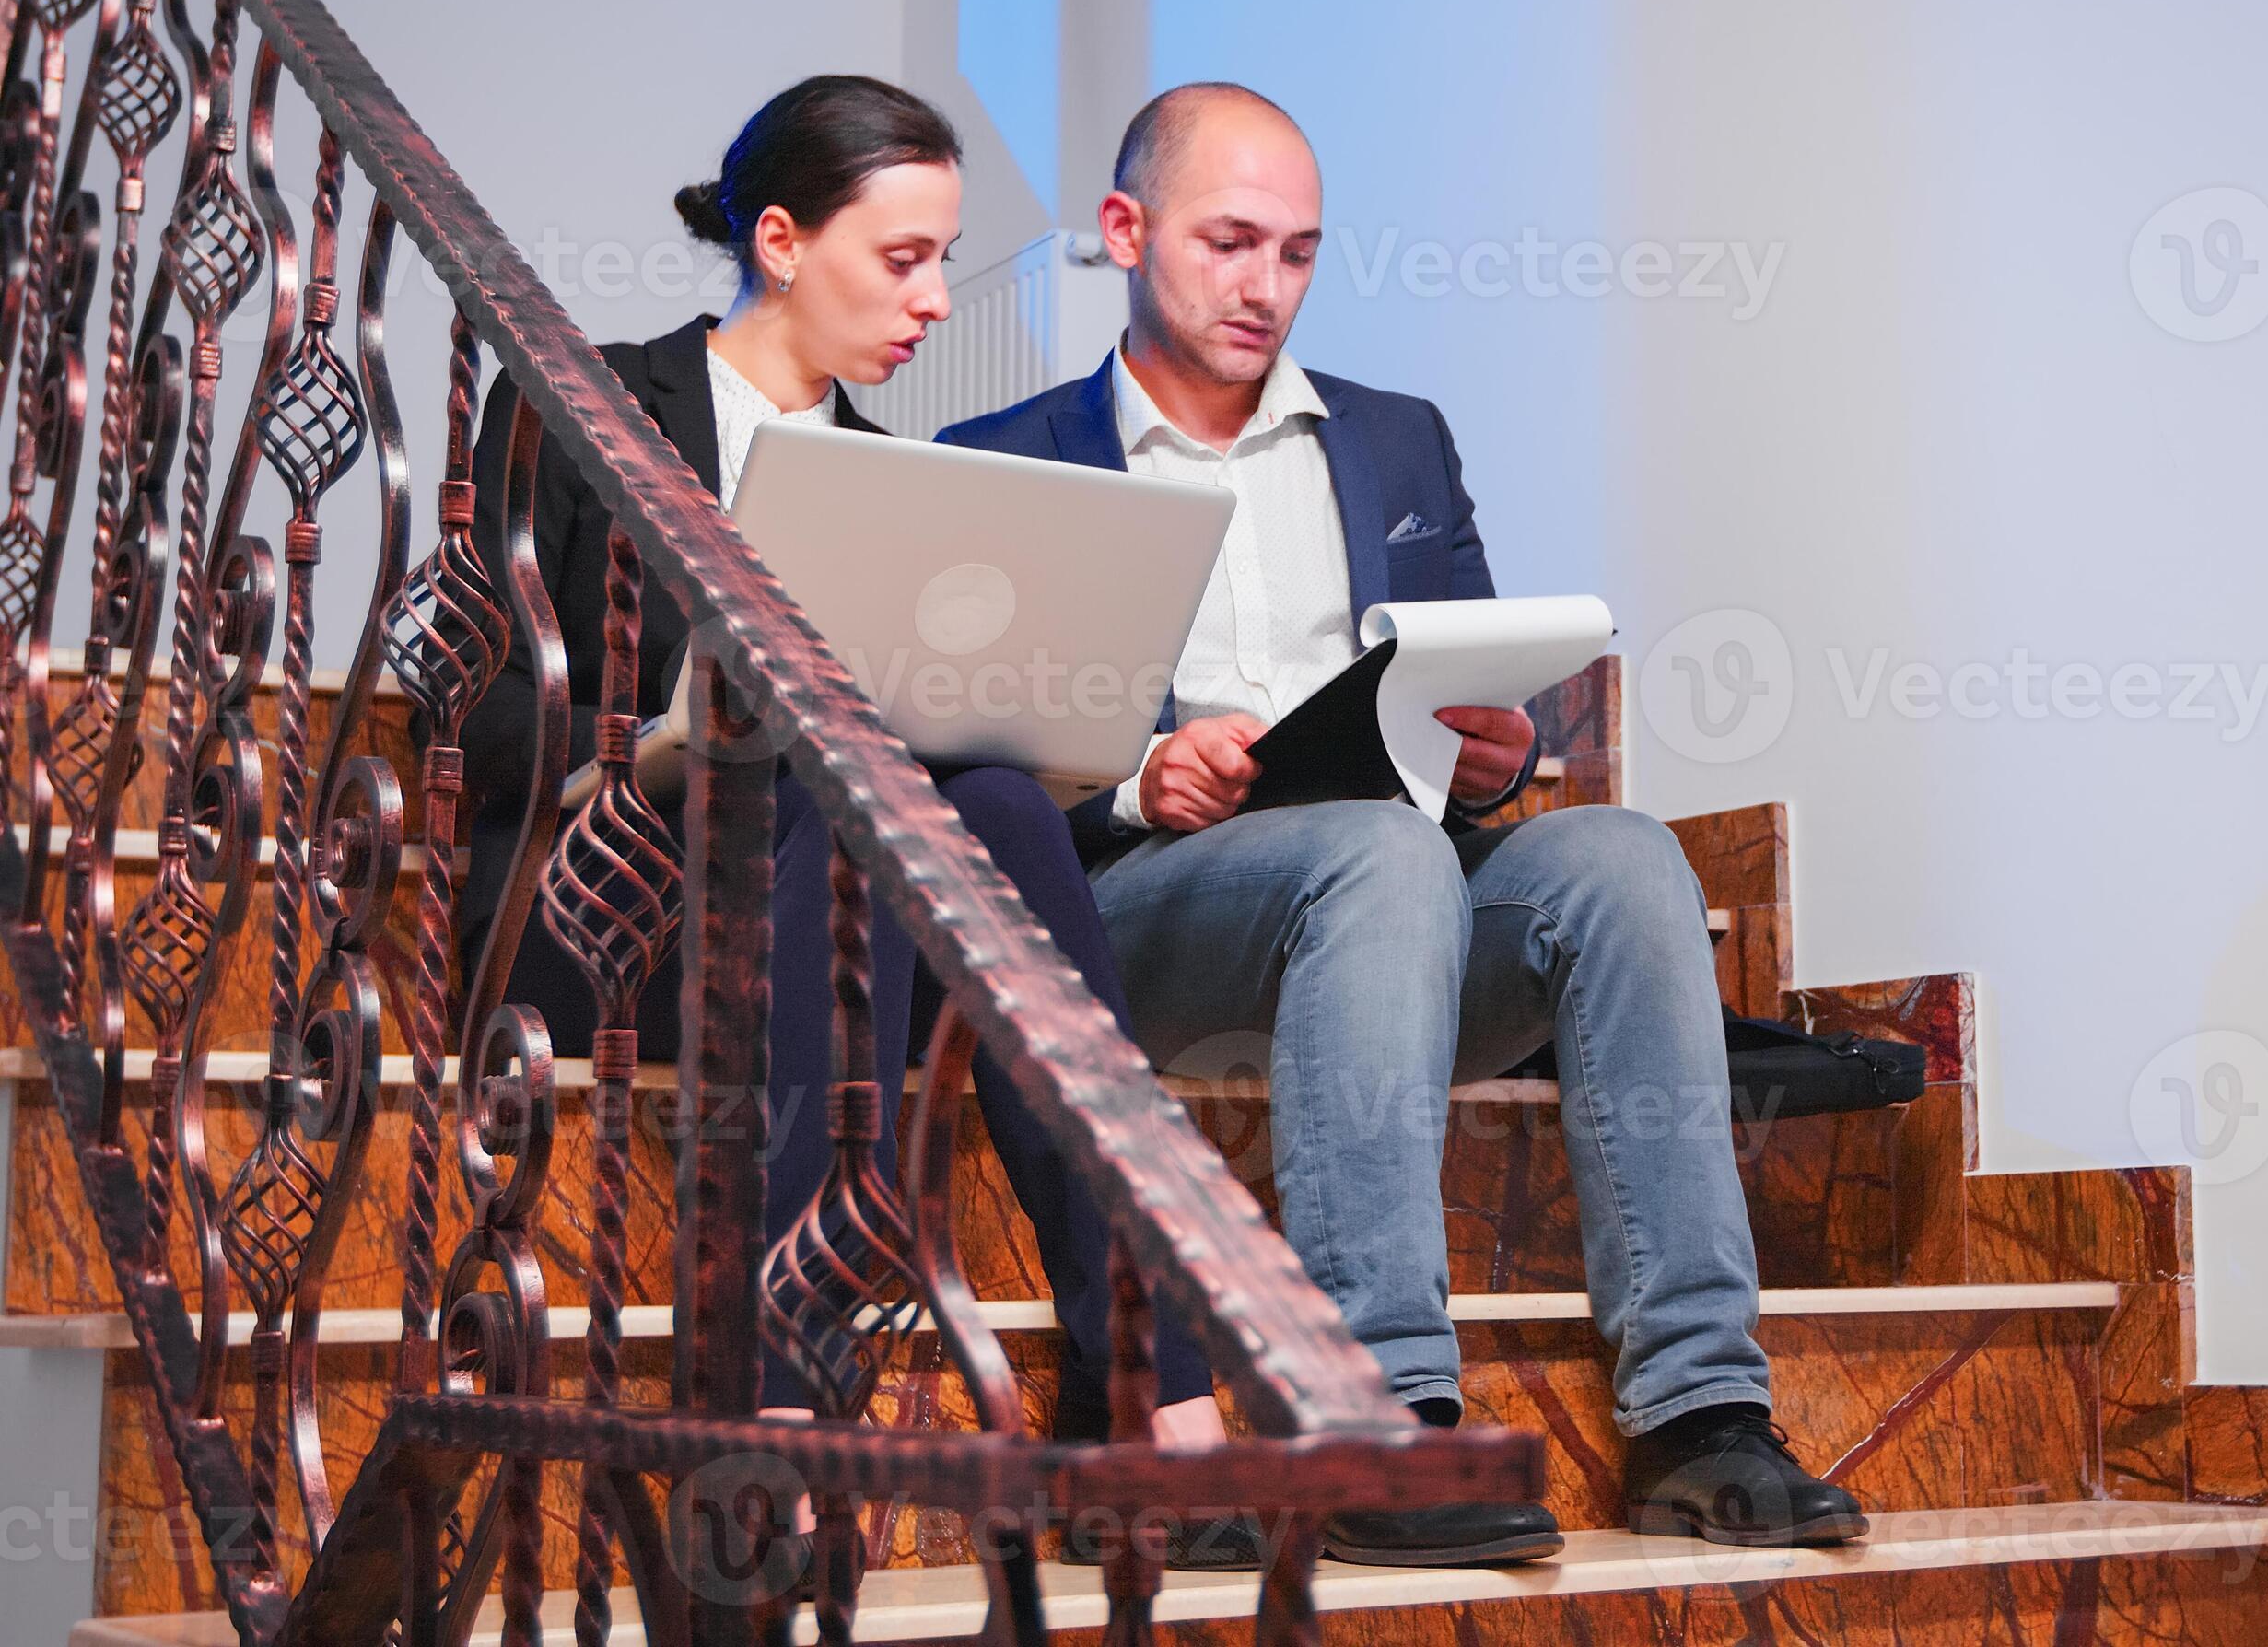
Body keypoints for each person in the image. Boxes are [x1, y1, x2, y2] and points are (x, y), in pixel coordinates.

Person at [940, 83, 1869, 1567]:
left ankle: (1701, 1421)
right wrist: (1134, 780)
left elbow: (1461, 693)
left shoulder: (1398, 441)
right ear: (1124, 231)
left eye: (1297, 253)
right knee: (1377, 857)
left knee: (1624, 859)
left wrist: (1498, 761)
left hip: (1393, 905)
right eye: (1231, 242)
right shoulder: (1004, 452)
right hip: (1136, 914)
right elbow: (955, 763)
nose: (1266, 287)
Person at [455, 76, 1248, 1565]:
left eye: (945, 258)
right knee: (817, 775)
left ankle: (1151, 1379)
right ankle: (784, 1404)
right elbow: (473, 714)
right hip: (595, 892)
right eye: (904, 260)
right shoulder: (585, 404)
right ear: (778, 241)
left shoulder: (904, 482)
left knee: (1002, 794)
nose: (938, 298)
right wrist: (676, 731)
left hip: (821, 904)